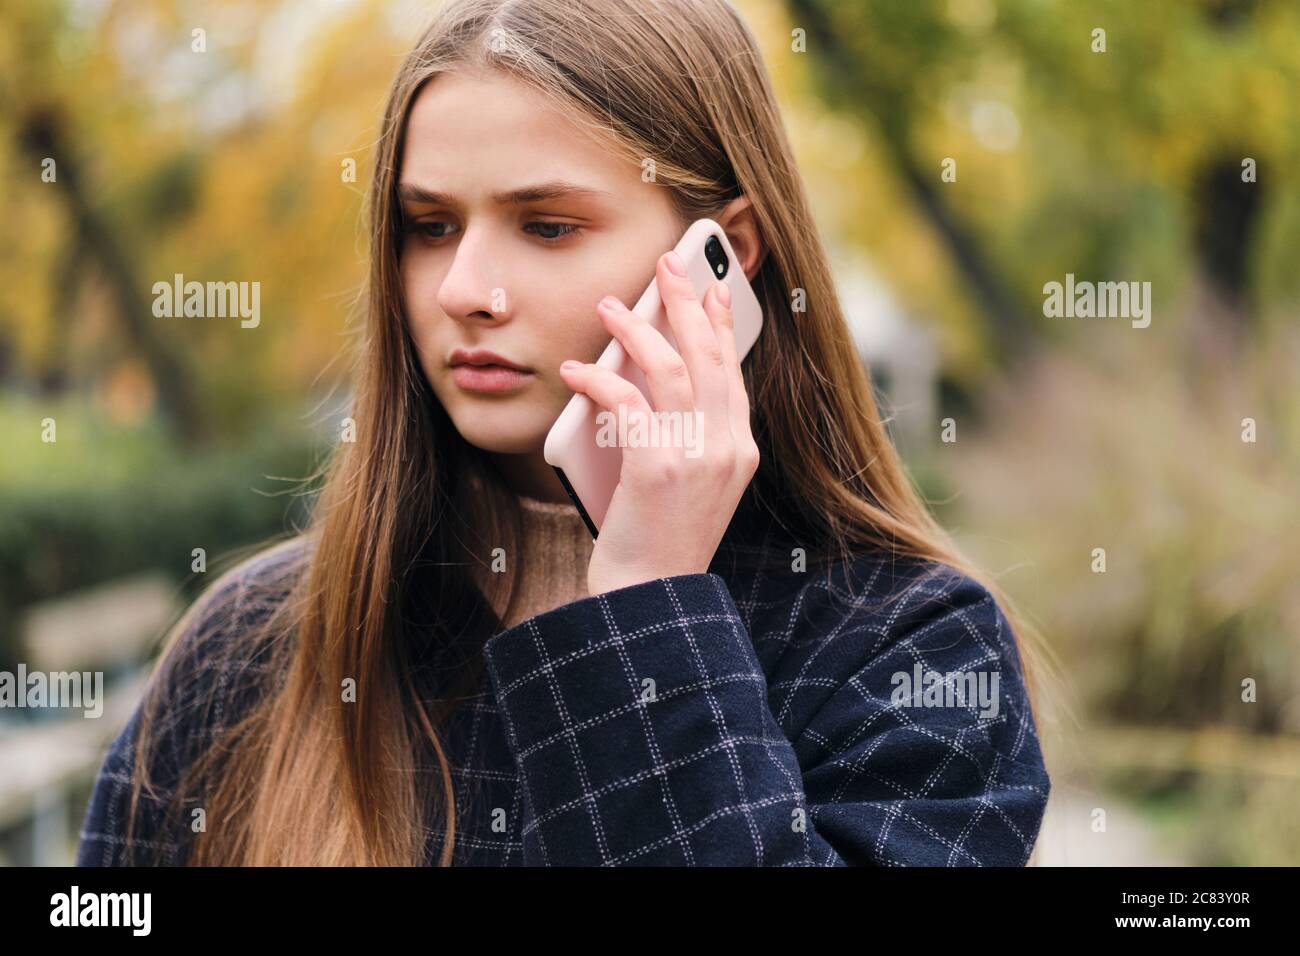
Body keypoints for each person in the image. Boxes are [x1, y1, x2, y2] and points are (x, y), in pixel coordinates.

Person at [76, 0, 1052, 867]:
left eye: (545, 226)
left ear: (725, 257)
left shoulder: (911, 652)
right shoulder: (252, 647)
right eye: (429, 226)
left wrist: (648, 604)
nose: (463, 291)